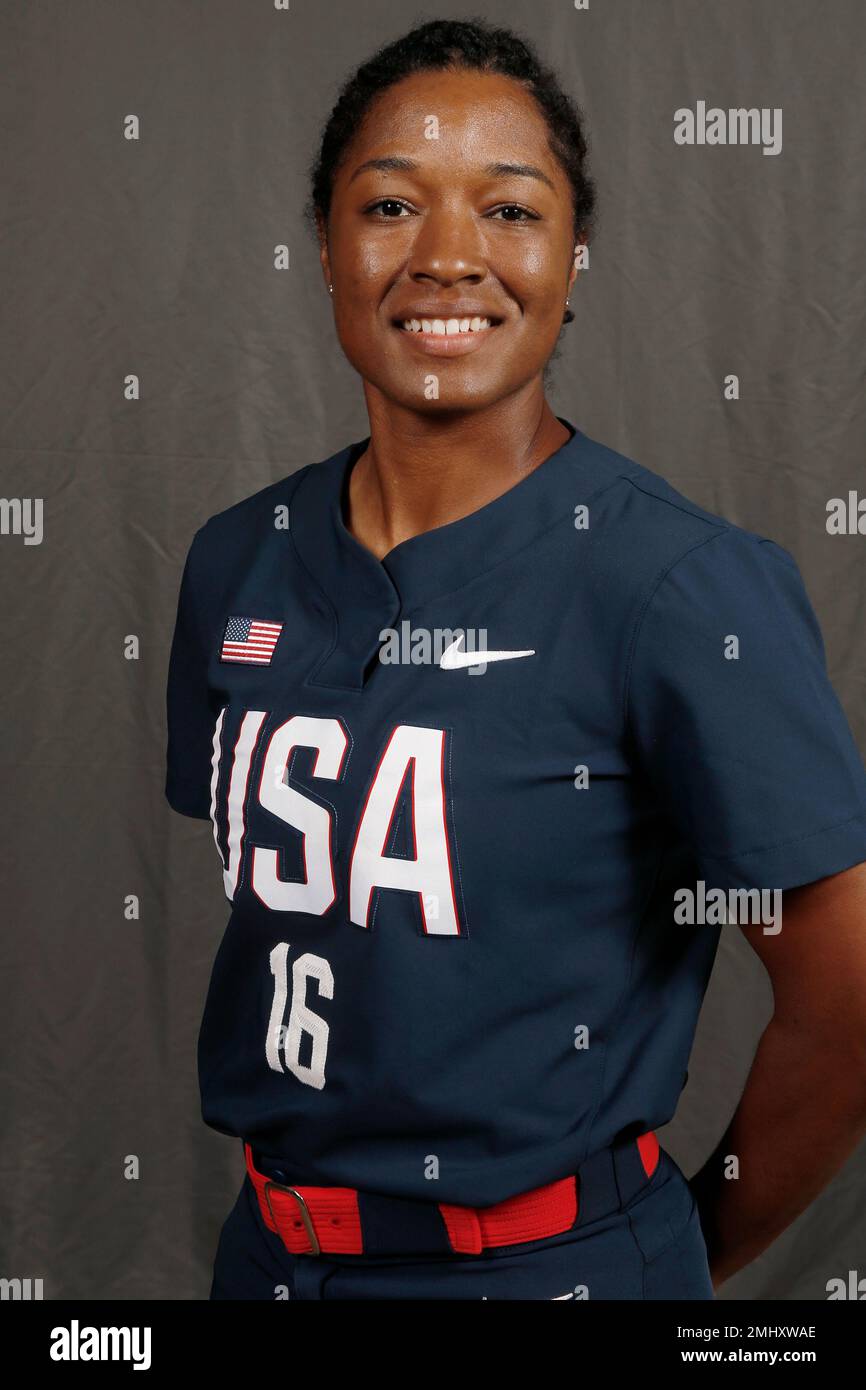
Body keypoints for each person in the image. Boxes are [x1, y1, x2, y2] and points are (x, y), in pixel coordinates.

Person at [165, 19, 866, 1301]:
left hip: (546, 1270)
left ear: (568, 256)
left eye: (506, 208)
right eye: (388, 205)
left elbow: (848, 1001)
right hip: (268, 1261)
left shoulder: (677, 587)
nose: (446, 256)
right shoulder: (237, 559)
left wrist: (662, 1254)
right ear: (322, 246)